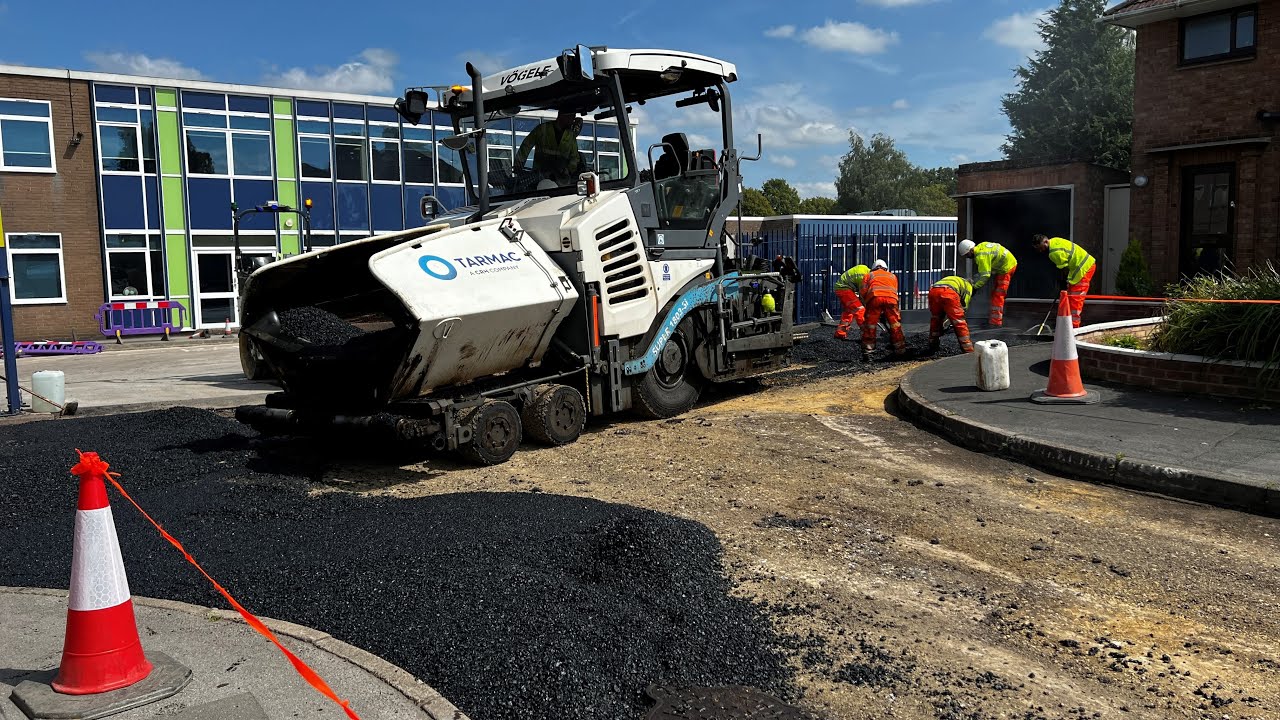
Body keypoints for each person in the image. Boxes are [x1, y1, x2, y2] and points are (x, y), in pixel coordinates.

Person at [1034, 234, 1096, 328]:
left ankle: (1074, 330)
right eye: (1038, 249)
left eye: (1041, 247)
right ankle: (1067, 326)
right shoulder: (1055, 240)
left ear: (1046, 242)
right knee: (1070, 298)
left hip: (1083, 269)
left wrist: (1063, 282)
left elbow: (1064, 269)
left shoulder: (1053, 253)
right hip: (1083, 266)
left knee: (1075, 300)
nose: (1040, 250)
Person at [514, 108, 584, 185]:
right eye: (572, 117)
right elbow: (526, 146)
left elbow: (575, 158)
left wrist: (568, 170)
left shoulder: (570, 135)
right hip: (539, 179)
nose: (573, 121)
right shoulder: (542, 129)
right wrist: (518, 166)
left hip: (560, 181)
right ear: (563, 117)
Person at [958, 239, 1016, 328]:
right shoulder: (981, 247)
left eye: (967, 255)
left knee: (998, 295)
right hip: (1004, 266)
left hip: (1006, 268)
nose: (967, 257)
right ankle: (993, 320)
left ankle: (996, 323)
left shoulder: (981, 257)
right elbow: (984, 271)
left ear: (970, 250)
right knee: (994, 294)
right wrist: (975, 279)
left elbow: (985, 276)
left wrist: (975, 287)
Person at [859, 259, 907, 360]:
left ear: (873, 268)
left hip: (875, 299)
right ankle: (900, 349)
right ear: (885, 268)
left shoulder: (868, 275)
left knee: (870, 325)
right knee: (895, 324)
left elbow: (863, 292)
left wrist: (868, 306)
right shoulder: (892, 276)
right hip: (891, 300)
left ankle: (868, 351)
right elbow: (894, 291)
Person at [928, 274, 974, 354]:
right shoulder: (969, 287)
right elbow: (964, 307)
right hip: (948, 293)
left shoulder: (955, 279)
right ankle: (968, 350)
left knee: (936, 318)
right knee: (959, 322)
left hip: (933, 291)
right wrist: (954, 320)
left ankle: (933, 343)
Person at [832, 263, 869, 341]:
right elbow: (862, 296)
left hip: (842, 288)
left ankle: (840, 333)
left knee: (848, 312)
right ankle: (867, 334)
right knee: (860, 309)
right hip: (844, 289)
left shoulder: (864, 270)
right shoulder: (864, 277)